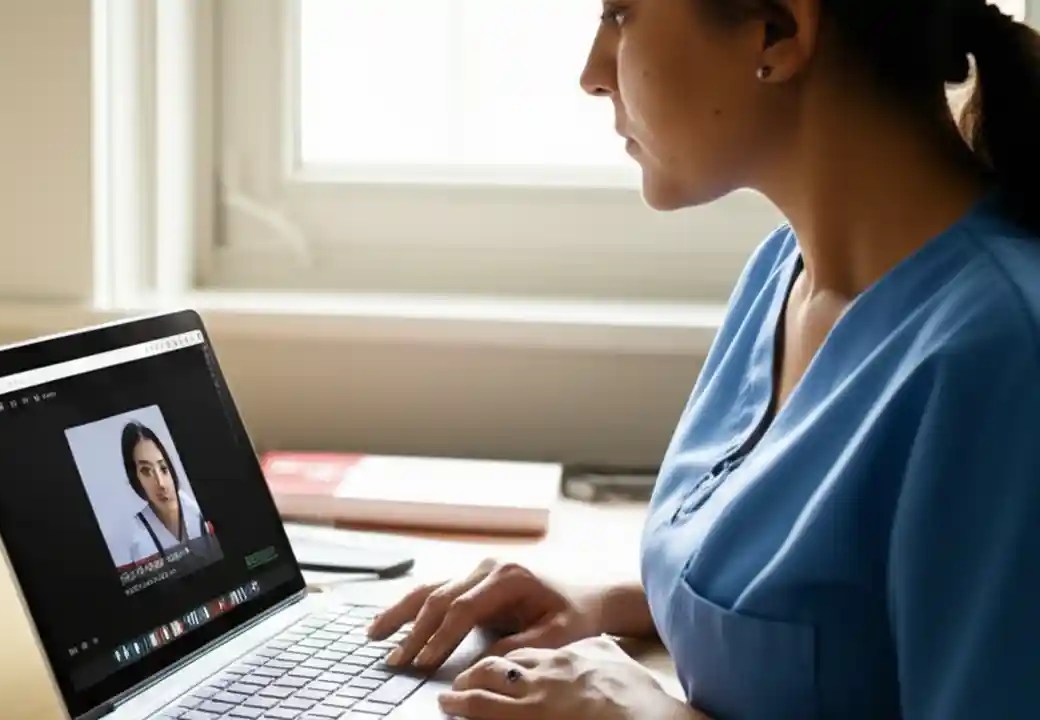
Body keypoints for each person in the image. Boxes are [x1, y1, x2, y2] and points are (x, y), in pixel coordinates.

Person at [367, 1, 1040, 718]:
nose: (592, 74)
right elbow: (837, 622)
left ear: (777, 32)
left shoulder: (1003, 360)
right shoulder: (782, 274)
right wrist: (614, 602)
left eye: (621, 14)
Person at [122, 421, 221, 568]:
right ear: (136, 479)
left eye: (163, 468)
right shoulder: (138, 540)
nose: (160, 483)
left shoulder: (200, 512)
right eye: (146, 471)